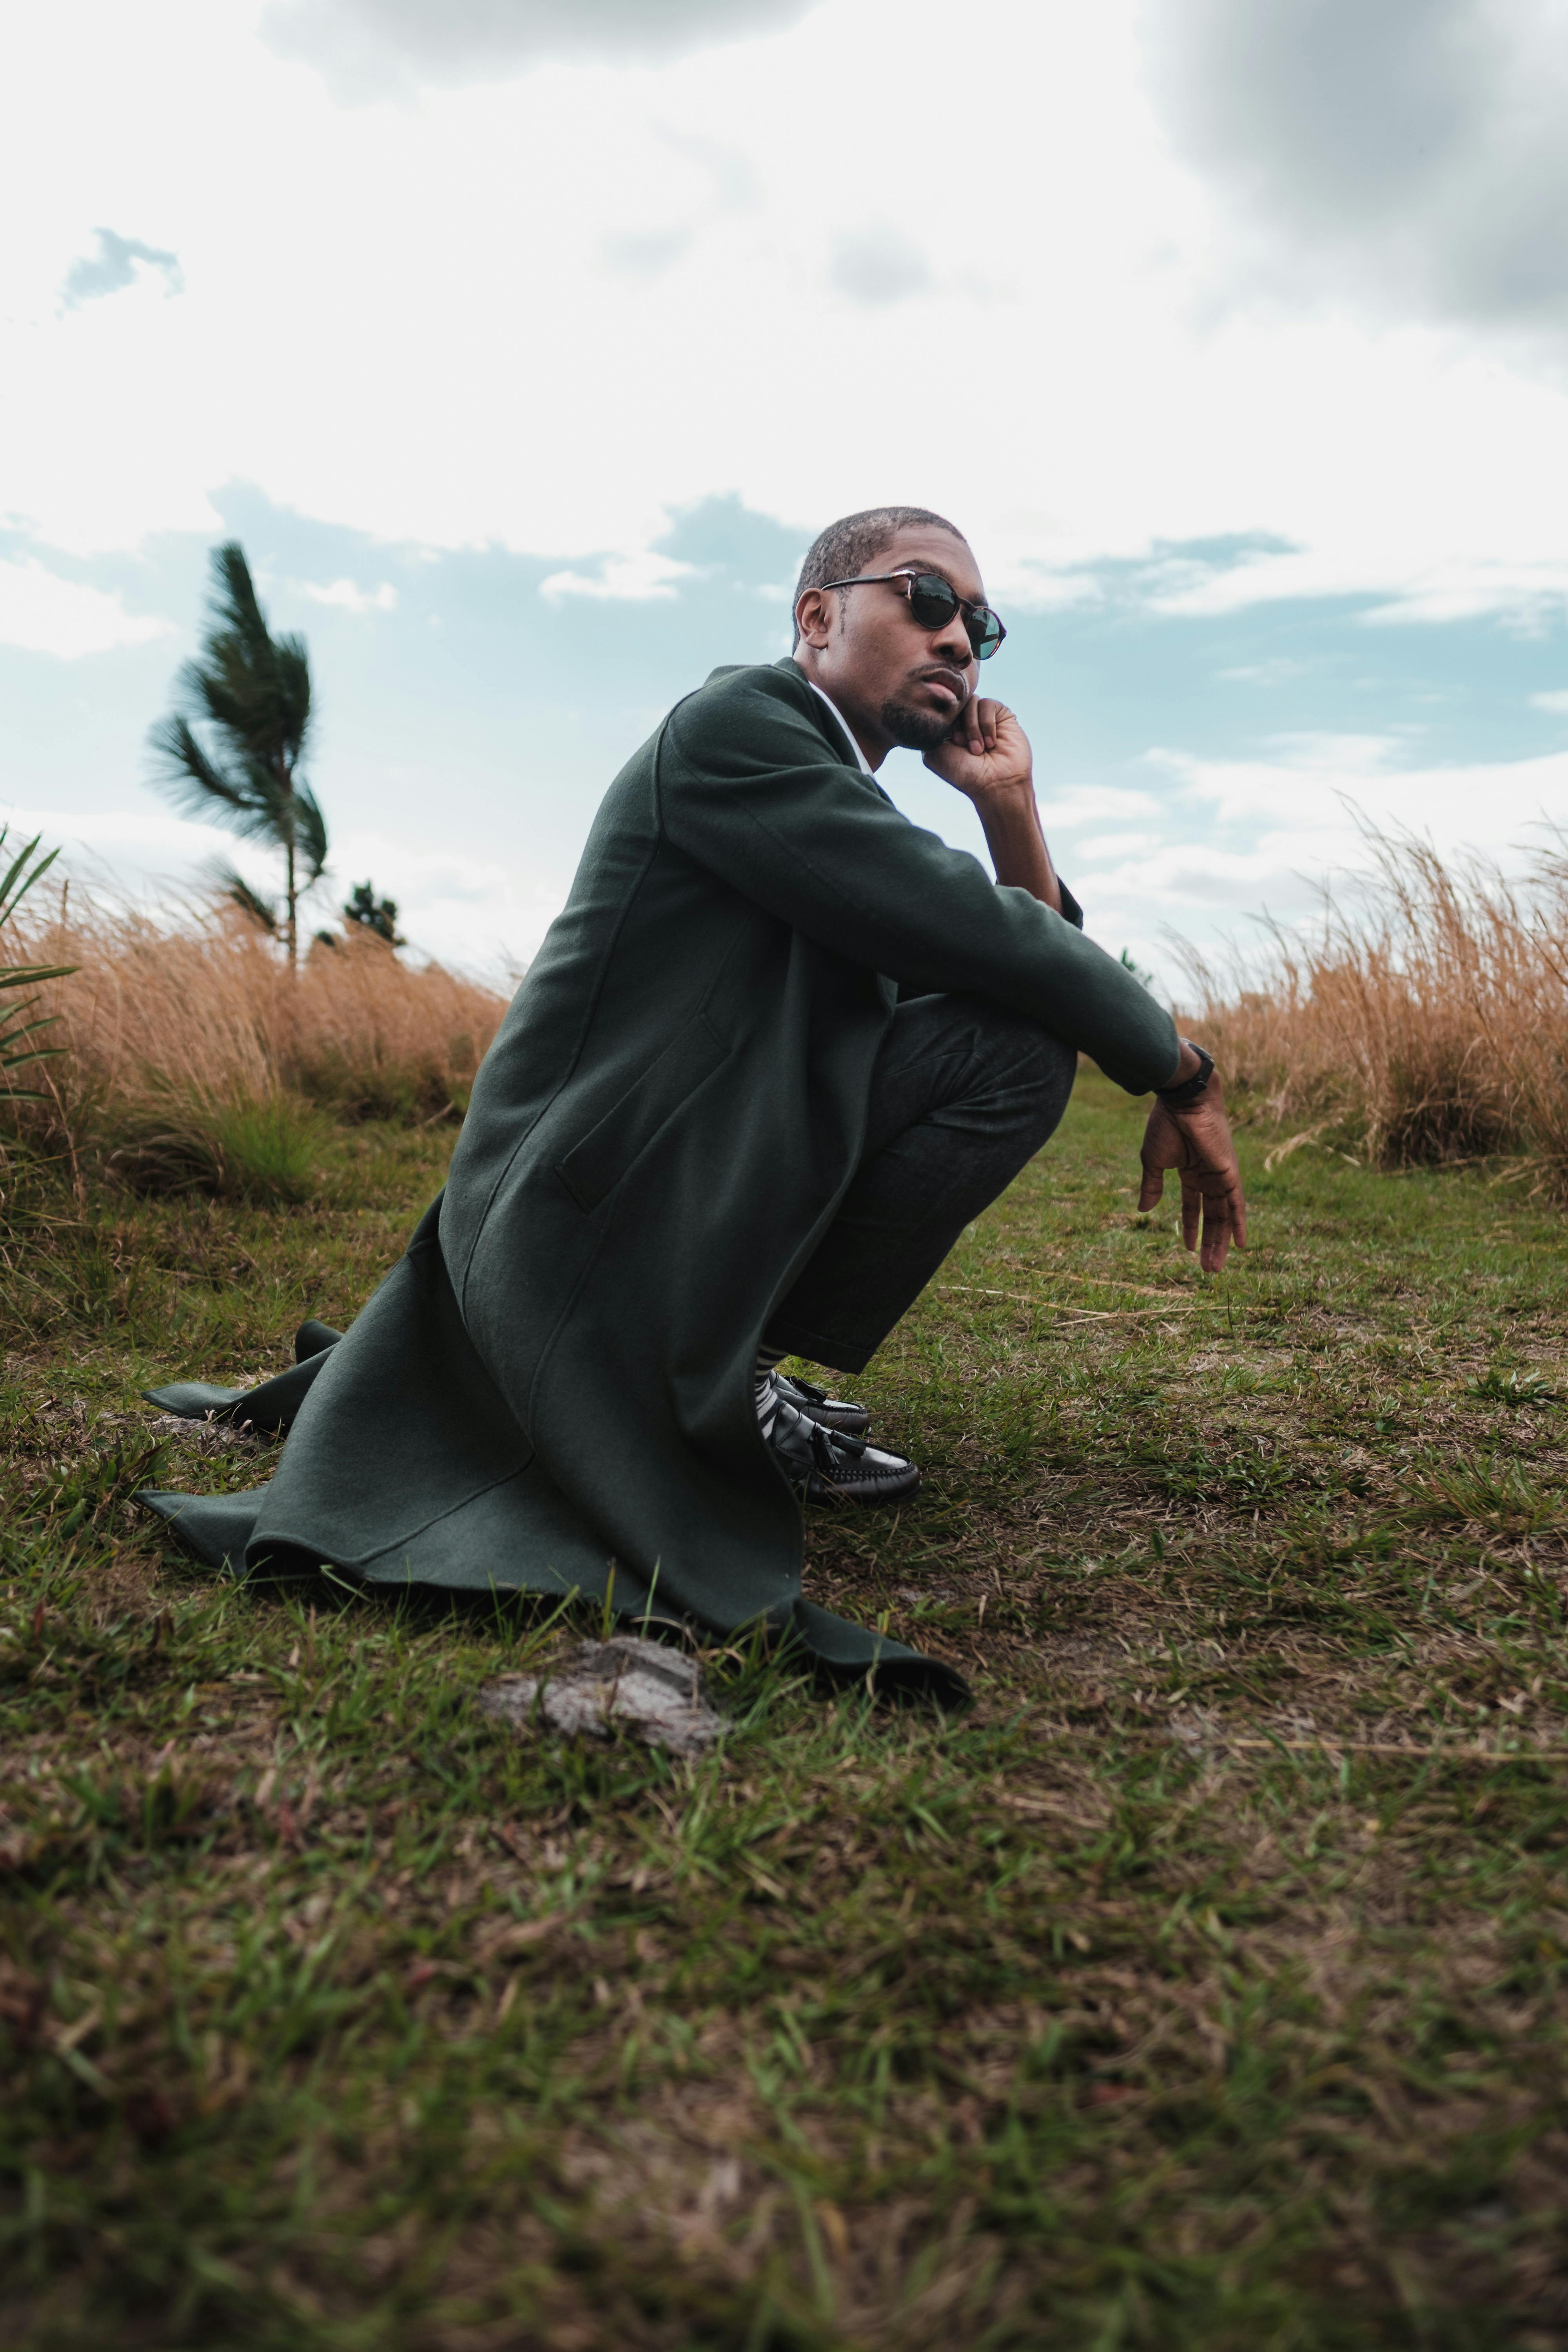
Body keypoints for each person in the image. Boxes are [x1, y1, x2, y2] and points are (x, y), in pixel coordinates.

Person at [143, 506, 1245, 1698]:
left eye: (983, 625)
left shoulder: (829, 792)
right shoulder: (740, 731)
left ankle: (738, 1364)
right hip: (584, 1217)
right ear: (817, 618)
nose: (961, 641)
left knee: (1014, 1044)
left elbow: (1007, 960)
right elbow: (997, 939)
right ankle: (720, 1379)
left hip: (679, 1179)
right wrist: (1183, 1071)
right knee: (1024, 1037)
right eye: (928, 599)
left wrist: (1007, 807)